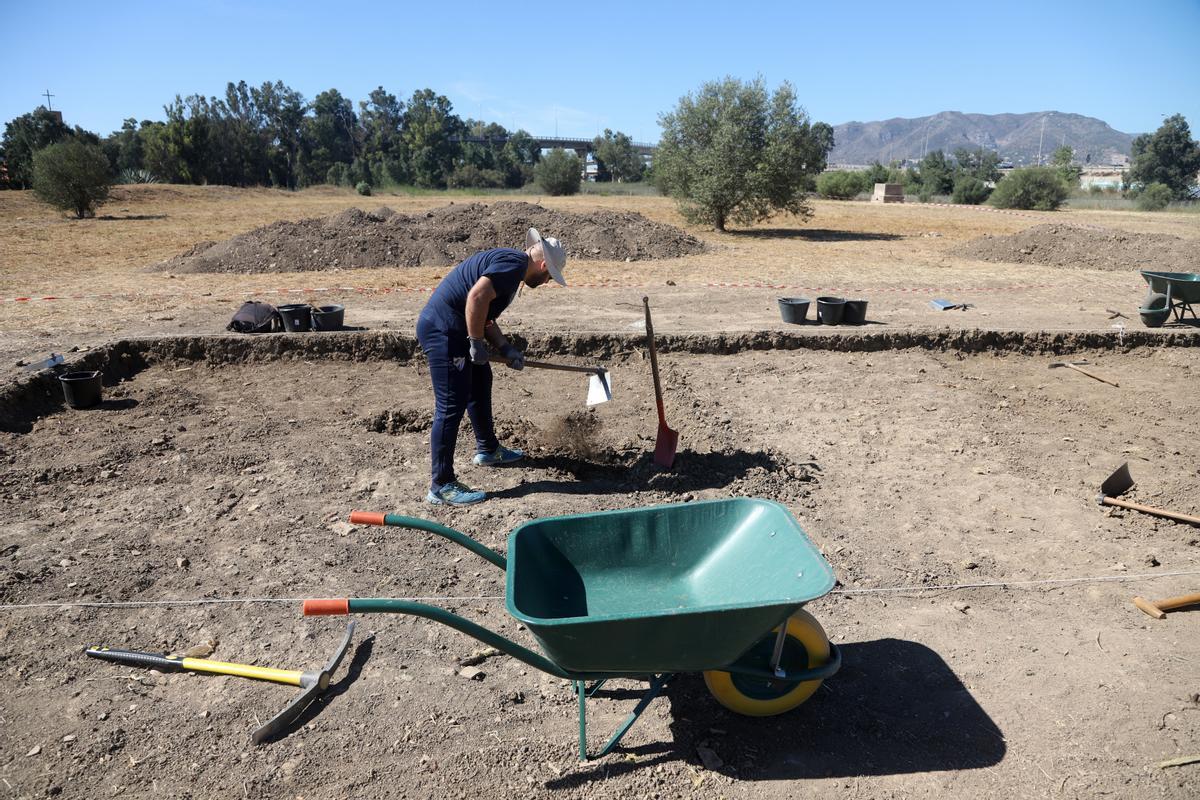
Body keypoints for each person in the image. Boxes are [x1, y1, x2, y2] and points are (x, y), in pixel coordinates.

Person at [415, 228, 567, 506]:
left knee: (480, 379)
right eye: (549, 277)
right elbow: (476, 298)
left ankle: (488, 449)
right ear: (544, 266)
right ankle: (441, 485)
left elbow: (484, 314)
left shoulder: (511, 265)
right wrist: (475, 343)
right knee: (451, 405)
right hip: (444, 332)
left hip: (454, 329)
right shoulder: (512, 266)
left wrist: (504, 347)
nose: (545, 282)